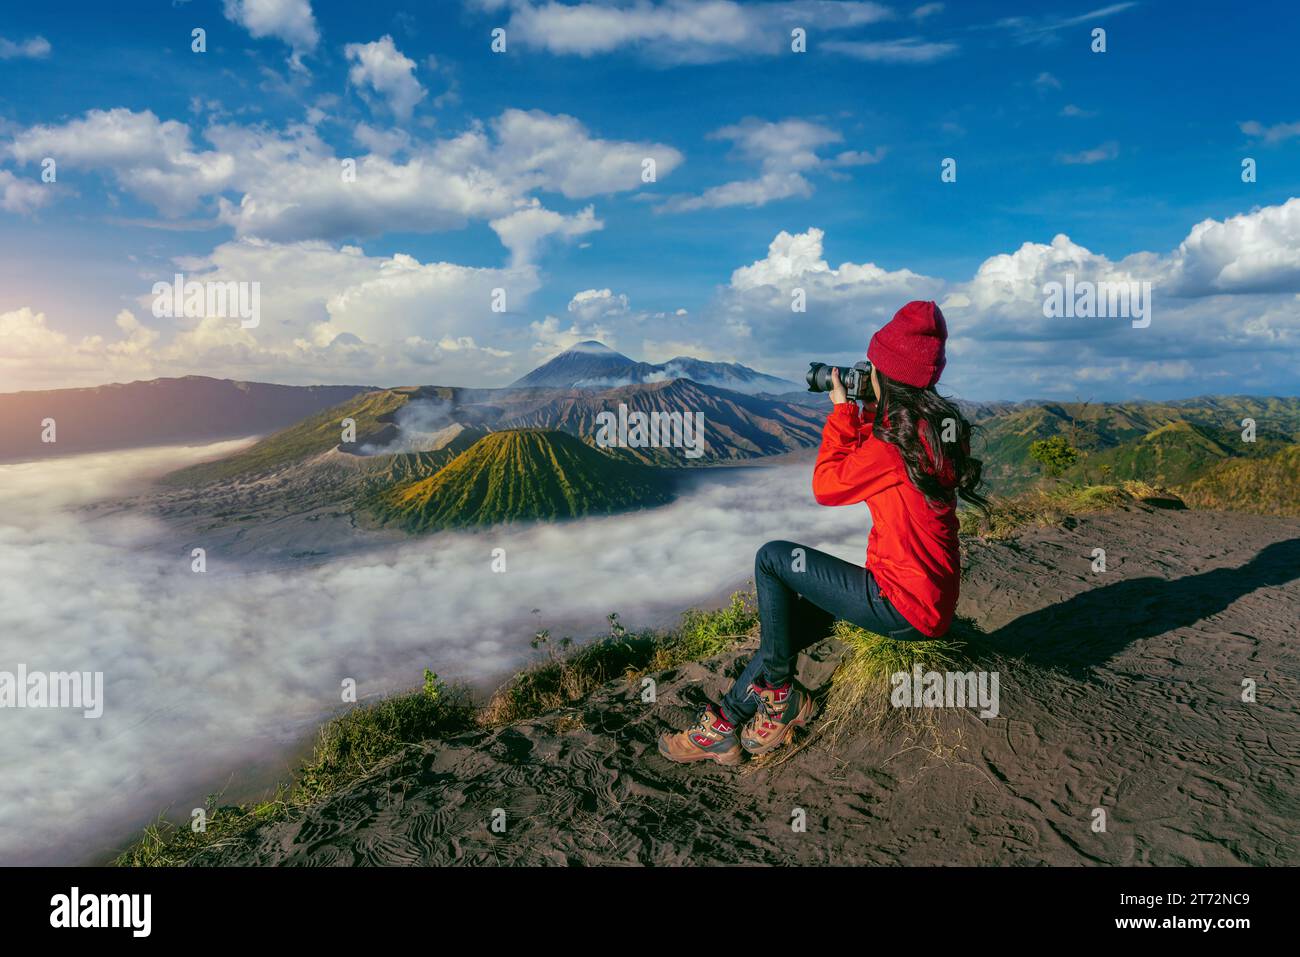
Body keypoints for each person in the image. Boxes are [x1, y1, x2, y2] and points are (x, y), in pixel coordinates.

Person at [659, 301, 989, 765]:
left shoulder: (894, 445)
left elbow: (827, 488)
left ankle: (779, 694)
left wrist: (842, 412)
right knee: (787, 627)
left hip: (901, 604)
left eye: (872, 368)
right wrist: (874, 409)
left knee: (772, 557)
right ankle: (725, 725)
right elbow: (873, 467)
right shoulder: (934, 430)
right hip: (929, 600)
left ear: (887, 373)